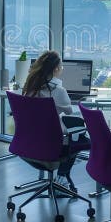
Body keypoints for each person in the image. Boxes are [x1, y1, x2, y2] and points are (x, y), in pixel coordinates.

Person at [22, 50, 89, 192]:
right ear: (56, 69)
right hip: (51, 147)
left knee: (69, 132)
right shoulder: (58, 91)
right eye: (62, 66)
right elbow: (71, 113)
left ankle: (61, 177)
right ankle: (62, 176)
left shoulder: (29, 89)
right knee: (81, 136)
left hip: (28, 145)